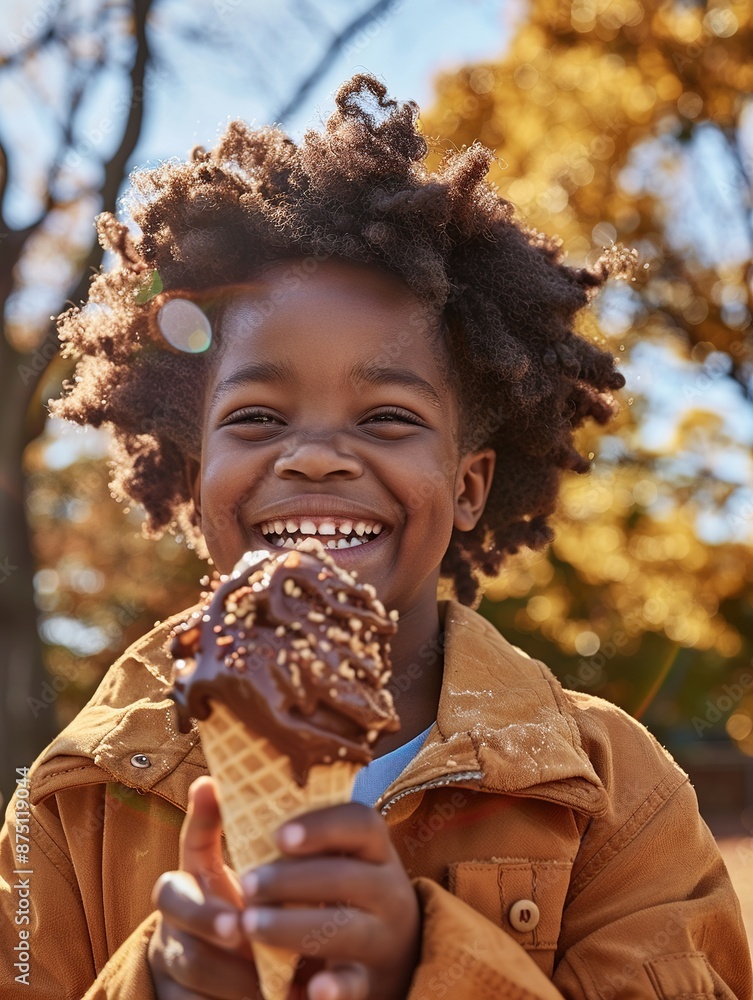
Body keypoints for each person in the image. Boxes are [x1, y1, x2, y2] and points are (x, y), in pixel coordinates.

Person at [0, 73, 749, 1000]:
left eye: (387, 418)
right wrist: (161, 984)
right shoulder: (70, 804)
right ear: (194, 483)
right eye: (257, 419)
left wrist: (422, 972)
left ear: (469, 485)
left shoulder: (615, 794)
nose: (314, 458)